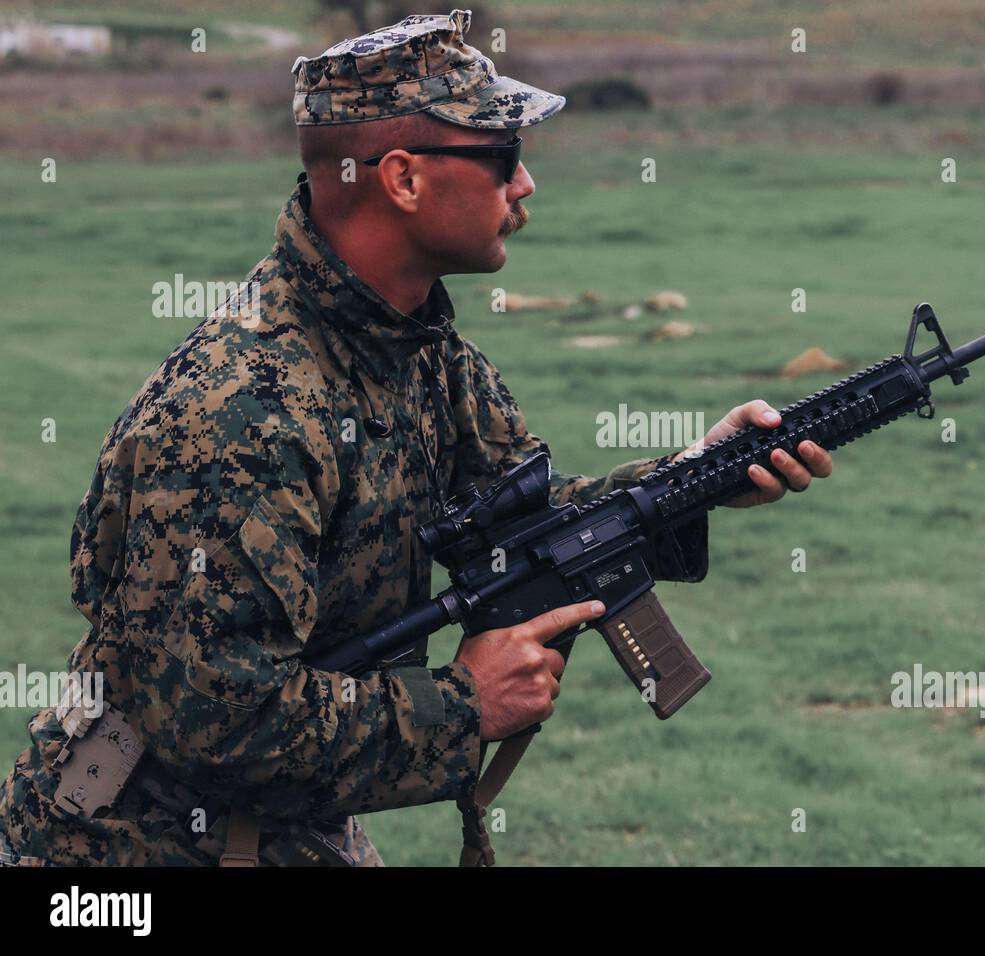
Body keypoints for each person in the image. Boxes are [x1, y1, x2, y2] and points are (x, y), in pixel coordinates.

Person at [0, 9, 832, 867]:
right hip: (129, 856)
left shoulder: (418, 352)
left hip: (287, 833)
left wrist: (698, 474)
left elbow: (527, 518)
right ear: (401, 179)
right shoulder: (240, 416)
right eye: (503, 157)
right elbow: (222, 724)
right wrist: (466, 704)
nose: (526, 185)